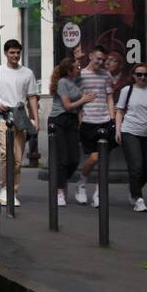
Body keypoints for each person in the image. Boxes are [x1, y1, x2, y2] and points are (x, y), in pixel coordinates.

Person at [115, 64, 147, 212]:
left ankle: (133, 189)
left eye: (146, 75)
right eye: (139, 74)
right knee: (136, 166)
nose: (143, 77)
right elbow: (119, 111)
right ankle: (138, 199)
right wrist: (118, 130)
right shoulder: (127, 90)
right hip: (130, 131)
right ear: (134, 75)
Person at [0, 39, 39, 204]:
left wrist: (36, 119)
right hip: (3, 117)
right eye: (12, 53)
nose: (15, 56)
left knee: (17, 159)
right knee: (4, 154)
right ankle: (2, 187)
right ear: (6, 54)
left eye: (17, 53)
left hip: (20, 117)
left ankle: (11, 191)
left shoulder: (27, 73)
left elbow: (32, 97)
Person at [48, 56, 93, 207]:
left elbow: (76, 106)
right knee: (63, 158)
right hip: (59, 119)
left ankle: (60, 181)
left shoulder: (76, 82)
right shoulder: (62, 82)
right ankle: (60, 190)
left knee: (74, 158)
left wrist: (80, 112)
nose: (79, 69)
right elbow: (67, 105)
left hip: (72, 120)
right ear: (69, 70)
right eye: (77, 67)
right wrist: (84, 100)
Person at [74, 46, 116, 207]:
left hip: (104, 120)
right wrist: (79, 116)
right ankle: (81, 183)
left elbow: (110, 98)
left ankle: (99, 192)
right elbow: (75, 97)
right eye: (98, 58)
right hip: (88, 122)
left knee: (103, 159)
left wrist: (112, 119)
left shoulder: (106, 75)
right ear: (91, 56)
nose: (100, 62)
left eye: (103, 60)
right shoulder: (81, 75)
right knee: (94, 158)